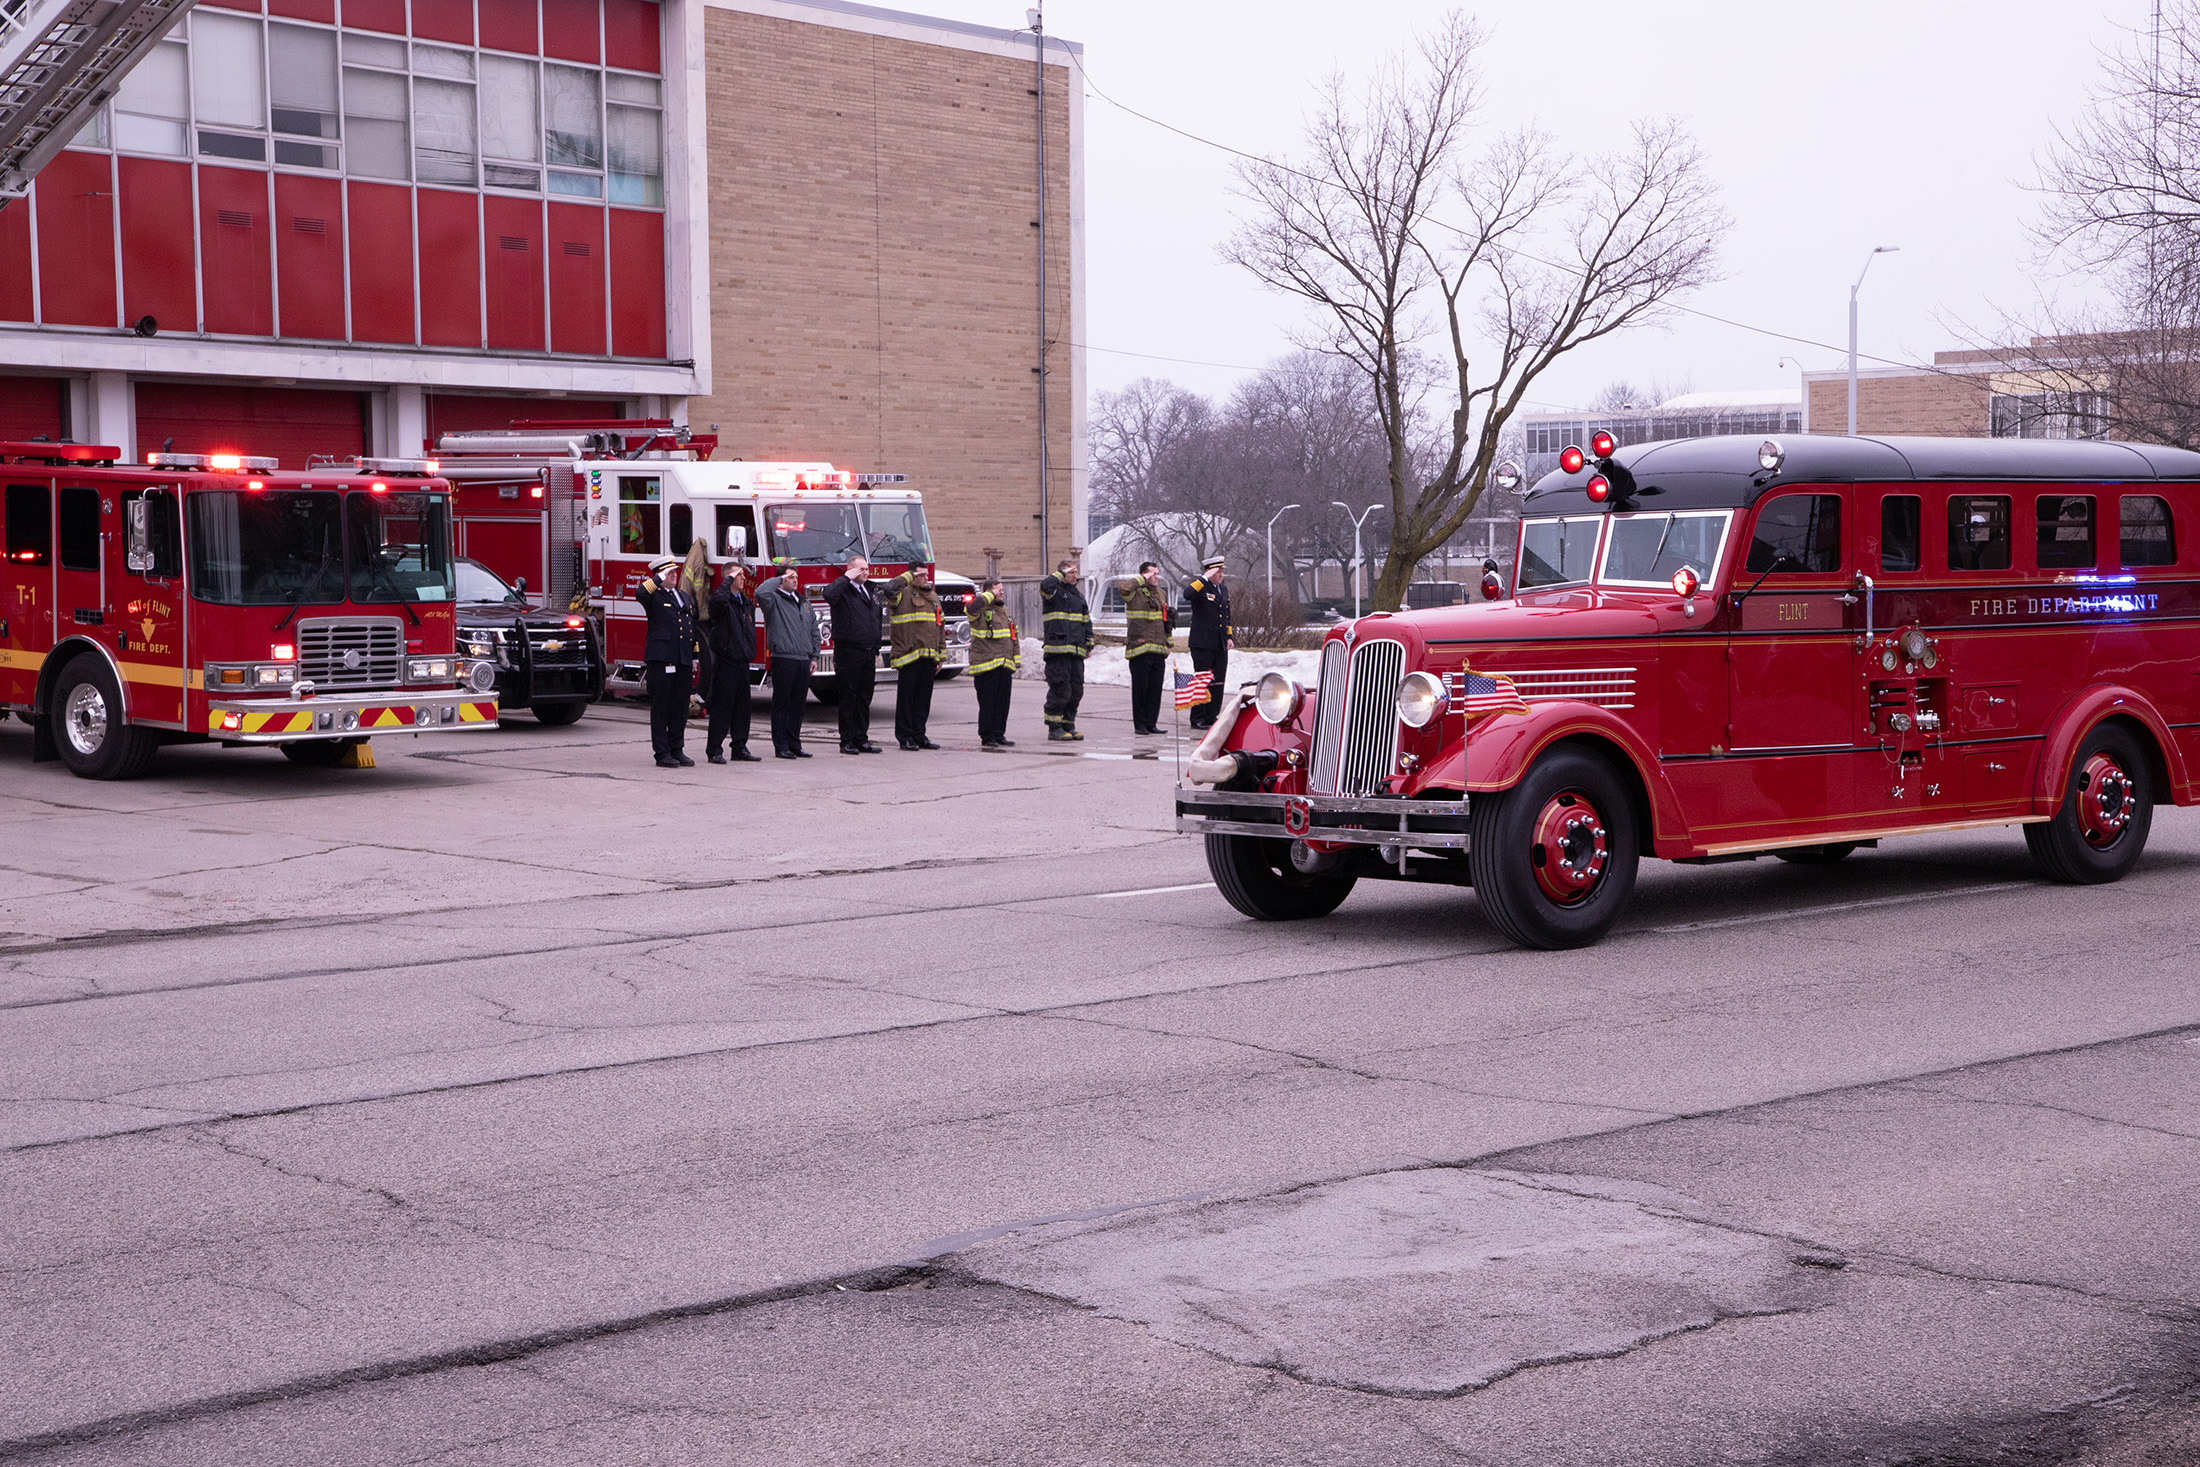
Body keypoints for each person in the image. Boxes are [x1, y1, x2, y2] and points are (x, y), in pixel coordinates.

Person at [636, 553, 699, 767]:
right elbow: (640, 592)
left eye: (674, 572)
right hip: (662, 659)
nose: (674, 575)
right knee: (661, 707)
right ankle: (662, 753)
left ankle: (677, 748)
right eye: (668, 572)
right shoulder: (654, 596)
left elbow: (692, 628)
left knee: (680, 708)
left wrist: (695, 656)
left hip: (682, 659)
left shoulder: (684, 597)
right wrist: (658, 578)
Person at [821, 554, 884, 755]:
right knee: (849, 696)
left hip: (867, 652)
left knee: (864, 698)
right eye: (860, 569)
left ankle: (861, 738)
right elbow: (828, 594)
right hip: (848, 652)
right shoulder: (843, 591)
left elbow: (876, 622)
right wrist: (845, 578)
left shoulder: (869, 591)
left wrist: (875, 648)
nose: (865, 572)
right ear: (850, 570)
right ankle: (846, 740)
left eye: (866, 569)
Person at [757, 565, 820, 758]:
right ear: (781, 579)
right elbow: (760, 592)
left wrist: (814, 656)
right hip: (783, 658)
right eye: (791, 577)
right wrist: (778, 579)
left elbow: (814, 630)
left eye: (796, 577)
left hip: (803, 659)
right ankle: (781, 745)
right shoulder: (773, 601)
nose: (795, 580)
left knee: (798, 705)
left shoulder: (804, 602)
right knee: (782, 704)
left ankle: (795, 744)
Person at [885, 564, 945, 749]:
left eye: (926, 574)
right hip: (908, 656)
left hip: (929, 657)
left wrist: (941, 655)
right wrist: (909, 576)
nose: (926, 577)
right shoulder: (901, 593)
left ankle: (920, 735)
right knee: (907, 700)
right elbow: (888, 589)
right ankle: (905, 737)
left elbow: (939, 626)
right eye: (921, 575)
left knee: (923, 699)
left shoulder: (933, 596)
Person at [705, 561, 760, 763]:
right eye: (739, 575)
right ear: (729, 578)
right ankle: (714, 750)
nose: (744, 578)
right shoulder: (721, 600)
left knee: (742, 708)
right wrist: (727, 580)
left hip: (743, 660)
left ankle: (739, 747)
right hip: (726, 660)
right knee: (722, 706)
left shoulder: (745, 602)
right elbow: (716, 602)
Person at [1039, 554, 1090, 741]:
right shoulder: (1053, 593)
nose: (1075, 575)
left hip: (1076, 651)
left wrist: (1088, 644)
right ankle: (1054, 728)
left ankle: (1069, 724)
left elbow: (1086, 622)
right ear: (1062, 573)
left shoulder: (1078, 596)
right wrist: (1060, 574)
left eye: (1076, 572)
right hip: (1058, 651)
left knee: (1076, 690)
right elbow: (1045, 586)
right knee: (1061, 690)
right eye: (1071, 572)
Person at [1121, 560, 1172, 735]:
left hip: (1158, 648)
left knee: (1155, 690)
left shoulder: (1161, 593)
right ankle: (1140, 725)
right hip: (1140, 648)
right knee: (1140, 690)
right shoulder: (1134, 592)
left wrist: (1168, 641)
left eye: (1157, 574)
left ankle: (1152, 723)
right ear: (1143, 575)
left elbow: (1165, 620)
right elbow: (1123, 589)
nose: (1156, 577)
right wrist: (1141, 579)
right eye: (1152, 574)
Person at [967, 578, 1018, 747]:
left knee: (1002, 704)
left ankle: (999, 734)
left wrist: (1015, 661)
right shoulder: (979, 611)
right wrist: (989, 595)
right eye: (998, 590)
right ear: (988, 592)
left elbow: (1013, 637)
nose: (1001, 593)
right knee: (988, 704)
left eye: (1002, 590)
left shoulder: (1006, 611)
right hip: (986, 665)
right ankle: (987, 736)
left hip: (1004, 665)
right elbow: (971, 608)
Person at [1185, 553, 1233, 730]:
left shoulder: (1223, 590)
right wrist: (1204, 578)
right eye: (1218, 572)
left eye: (1222, 572)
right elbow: (1187, 594)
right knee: (1202, 680)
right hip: (1202, 643)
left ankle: (1211, 716)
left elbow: (1227, 615)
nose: (1221, 575)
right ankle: (1197, 718)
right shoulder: (1201, 588)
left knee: (1218, 682)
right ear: (1209, 571)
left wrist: (1229, 637)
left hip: (1219, 643)